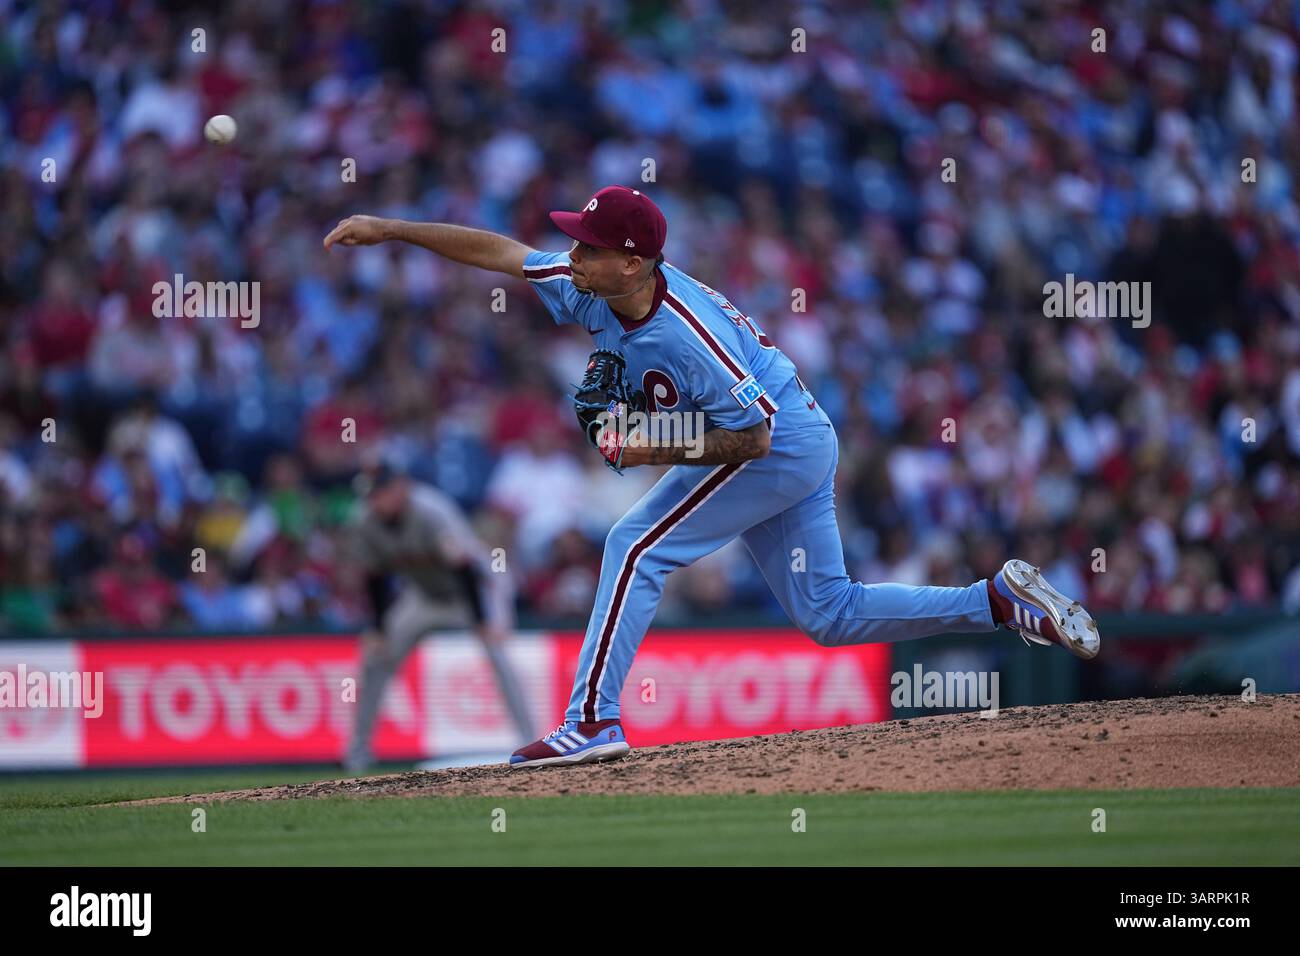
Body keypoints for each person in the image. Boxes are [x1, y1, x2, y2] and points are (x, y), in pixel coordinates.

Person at [324, 185, 1100, 769]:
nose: (573, 254)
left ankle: (591, 720)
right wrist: (392, 228)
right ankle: (995, 599)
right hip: (793, 436)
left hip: (778, 442)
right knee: (829, 614)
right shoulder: (593, 281)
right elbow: (499, 252)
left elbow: (753, 435)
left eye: (589, 246)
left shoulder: (687, 333)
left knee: (634, 544)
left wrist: (649, 439)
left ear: (630, 262)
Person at [345, 460, 533, 772]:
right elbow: (374, 577)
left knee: (499, 655)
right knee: (375, 656)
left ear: (400, 488)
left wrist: (485, 621)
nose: (375, 500)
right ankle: (357, 752)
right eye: (371, 495)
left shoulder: (431, 511)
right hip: (424, 596)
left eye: (380, 492)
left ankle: (529, 741)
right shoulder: (366, 521)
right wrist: (378, 627)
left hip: (476, 590)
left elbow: (465, 568)